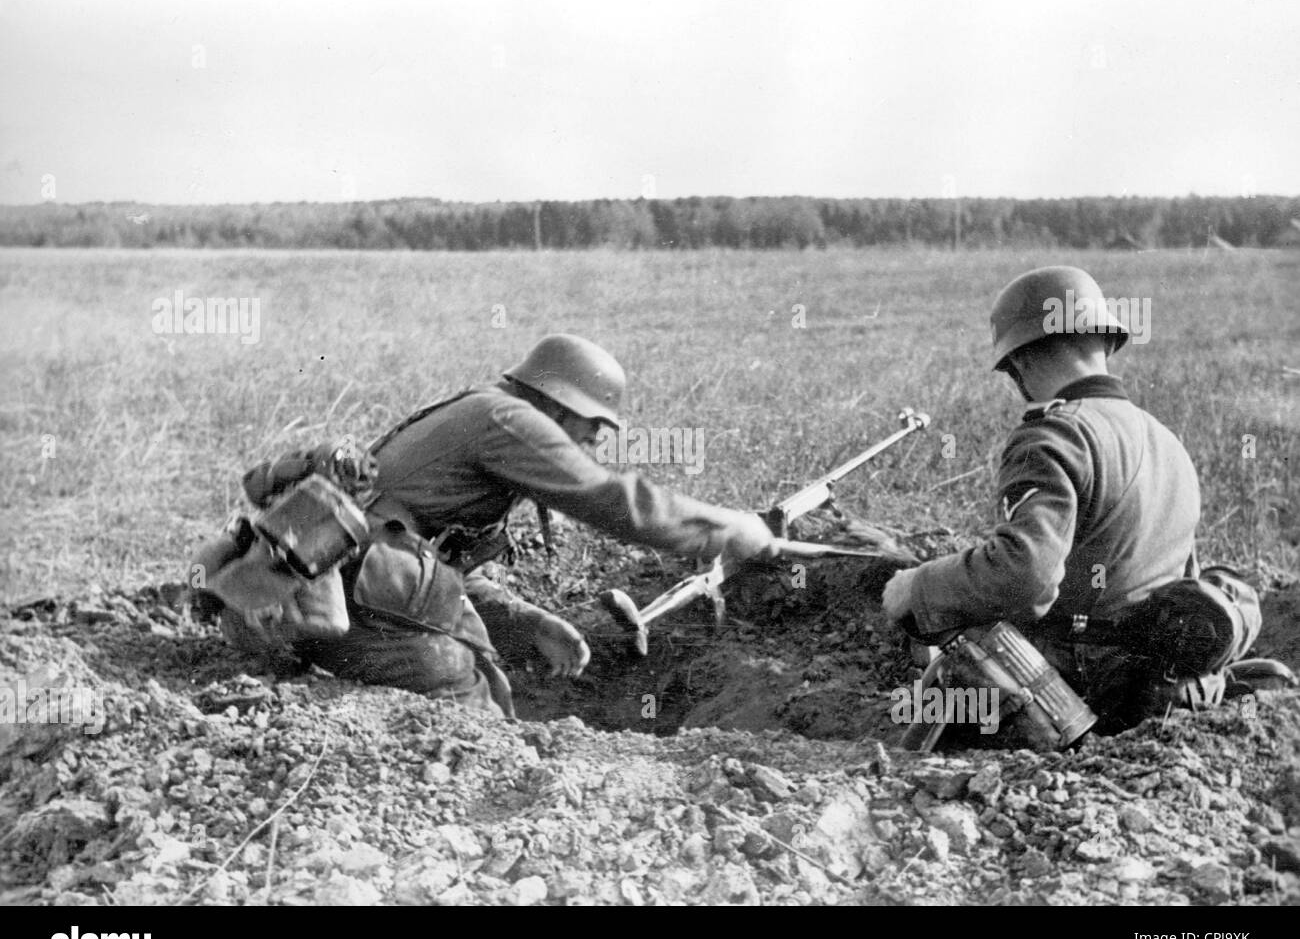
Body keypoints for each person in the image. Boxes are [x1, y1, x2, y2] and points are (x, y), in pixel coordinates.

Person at [206, 333, 776, 718]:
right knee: (461, 686)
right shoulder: (507, 420)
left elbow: (421, 556)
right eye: (594, 422)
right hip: (338, 602)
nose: (596, 439)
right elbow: (610, 499)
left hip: (336, 594)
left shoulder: (482, 409)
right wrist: (726, 528)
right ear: (558, 403)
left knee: (489, 677)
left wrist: (525, 622)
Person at [881, 265, 1225, 734]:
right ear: (1104, 342)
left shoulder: (1054, 436)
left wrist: (918, 587)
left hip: (1080, 697)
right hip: (1160, 696)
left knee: (962, 657)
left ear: (1019, 363)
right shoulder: (1168, 442)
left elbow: (1024, 575)